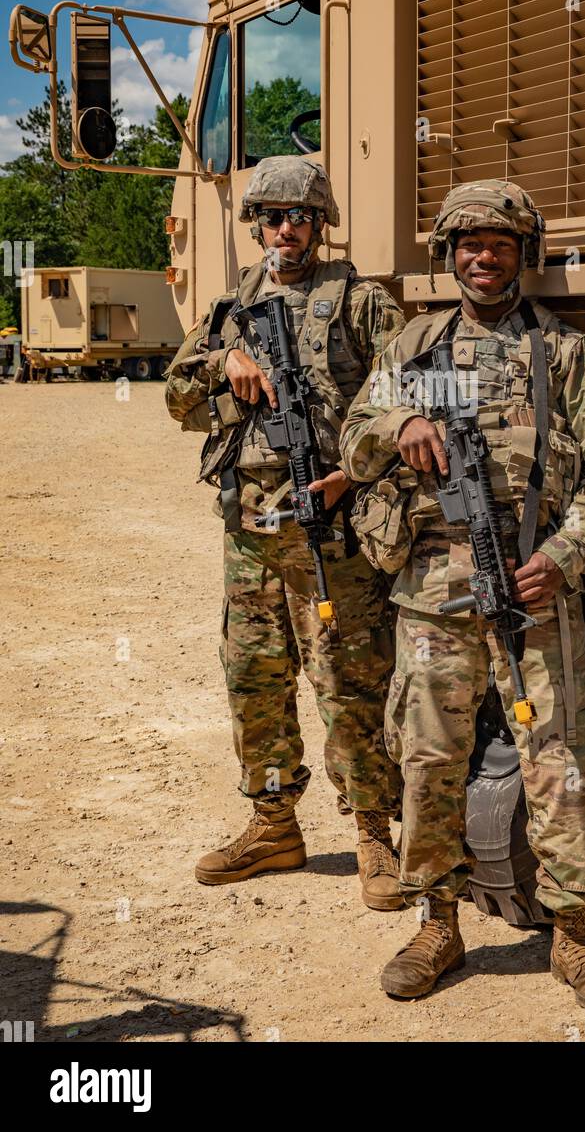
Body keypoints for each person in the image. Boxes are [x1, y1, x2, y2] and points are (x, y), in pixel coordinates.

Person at [339, 179, 585, 1008]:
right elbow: (355, 431)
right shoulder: (414, 349)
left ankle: (574, 937)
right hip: (434, 590)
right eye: (469, 244)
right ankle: (438, 920)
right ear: (449, 254)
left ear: (523, 255)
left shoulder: (567, 355)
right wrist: (399, 425)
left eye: (500, 244)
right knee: (429, 759)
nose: (483, 257)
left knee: (561, 761)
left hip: (533, 586)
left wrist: (566, 553)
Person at [164, 157, 405, 910]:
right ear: (256, 226)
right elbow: (174, 398)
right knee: (256, 683)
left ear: (321, 224)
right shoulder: (229, 309)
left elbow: (416, 397)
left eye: (299, 216)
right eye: (271, 217)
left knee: (350, 687)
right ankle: (273, 825)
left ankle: (373, 832)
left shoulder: (361, 302)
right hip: (250, 531)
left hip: (330, 532)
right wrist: (219, 361)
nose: (285, 228)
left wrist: (356, 475)